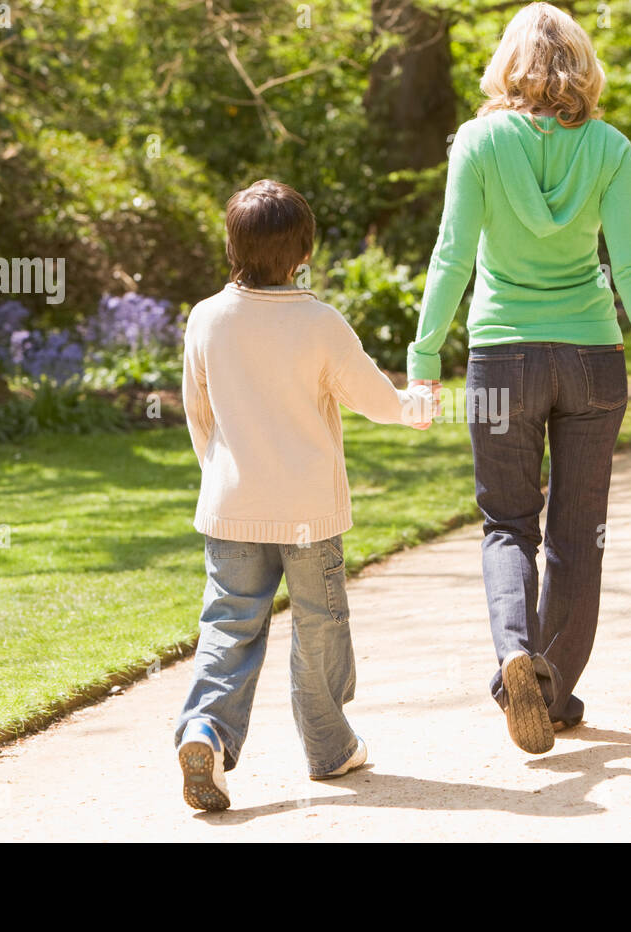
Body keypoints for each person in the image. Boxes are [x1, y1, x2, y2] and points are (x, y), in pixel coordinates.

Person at [406, 2, 631, 754]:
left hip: (503, 356)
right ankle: (550, 691)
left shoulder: (479, 141)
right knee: (577, 535)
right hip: (593, 356)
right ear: (583, 67)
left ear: (507, 65)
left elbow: (452, 254)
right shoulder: (611, 148)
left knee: (506, 525)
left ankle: (516, 658)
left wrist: (424, 359)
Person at [174, 179, 434, 810]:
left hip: (231, 507)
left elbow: (197, 412)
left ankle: (205, 728)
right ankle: (329, 747)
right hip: (308, 516)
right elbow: (373, 398)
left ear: (231, 246)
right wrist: (412, 407)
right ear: (303, 254)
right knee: (320, 624)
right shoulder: (319, 322)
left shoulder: (207, 317)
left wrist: (219, 469)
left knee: (229, 625)